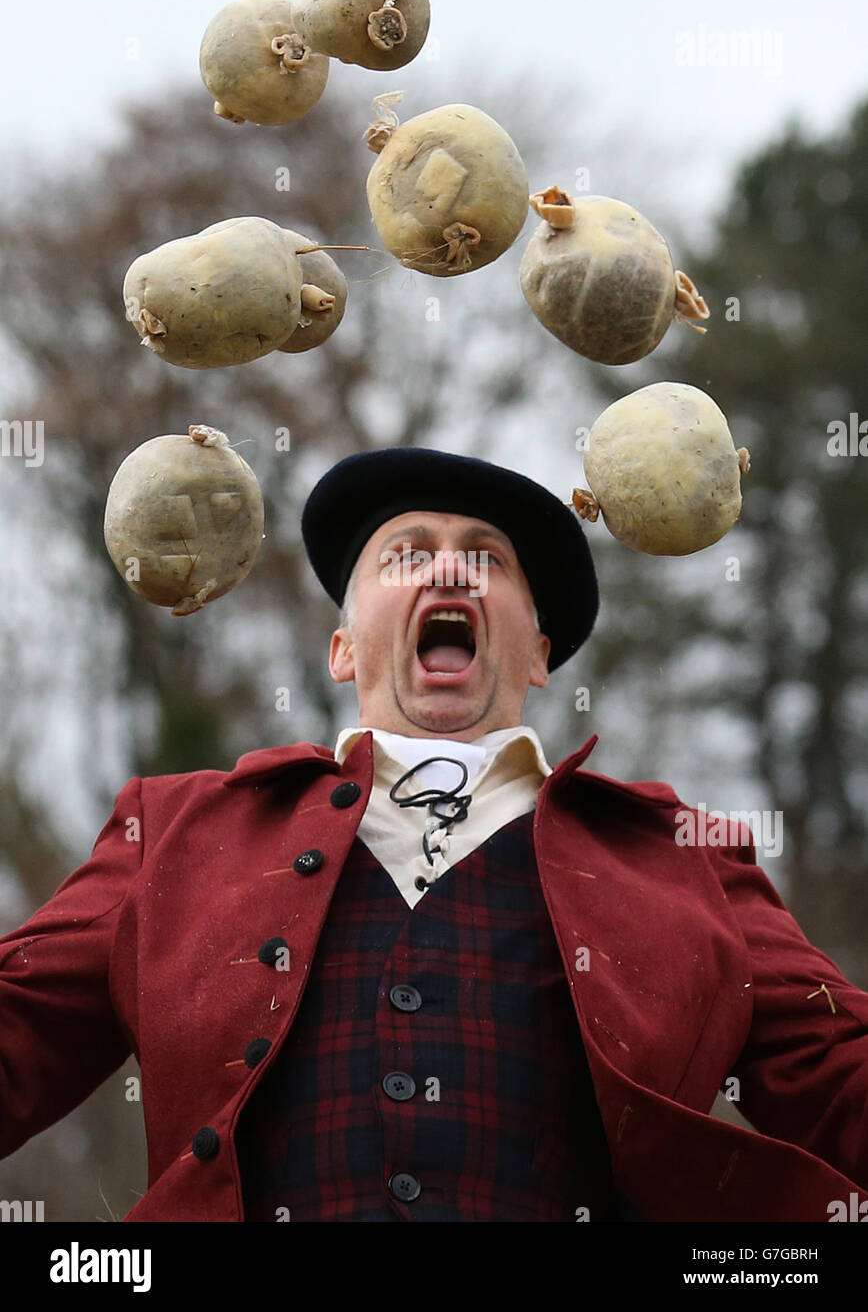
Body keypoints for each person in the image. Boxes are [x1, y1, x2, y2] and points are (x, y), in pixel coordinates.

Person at [0, 445, 866, 1223]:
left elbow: (840, 1079)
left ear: (537, 653)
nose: (448, 571)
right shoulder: (179, 830)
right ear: (342, 648)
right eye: (405, 553)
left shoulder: (686, 857)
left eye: (488, 559)